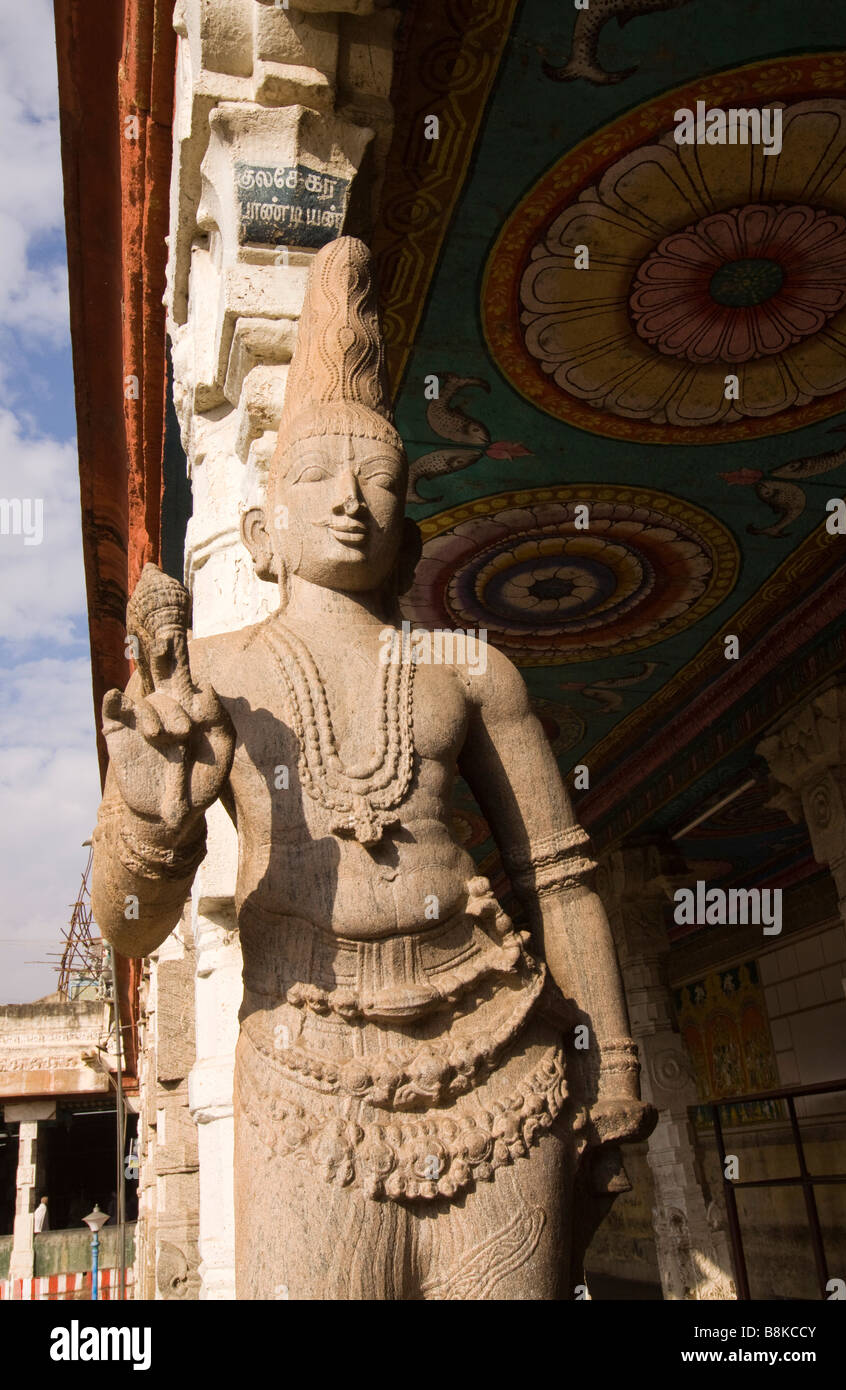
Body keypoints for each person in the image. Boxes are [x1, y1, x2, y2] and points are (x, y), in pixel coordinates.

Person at [91, 237, 654, 1299]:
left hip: (500, 1057)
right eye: (315, 476)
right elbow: (126, 922)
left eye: (379, 478)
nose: (349, 498)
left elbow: (556, 872)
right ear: (263, 530)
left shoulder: (468, 671)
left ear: (408, 525)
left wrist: (610, 1054)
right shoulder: (212, 679)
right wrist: (151, 825)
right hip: (307, 1068)